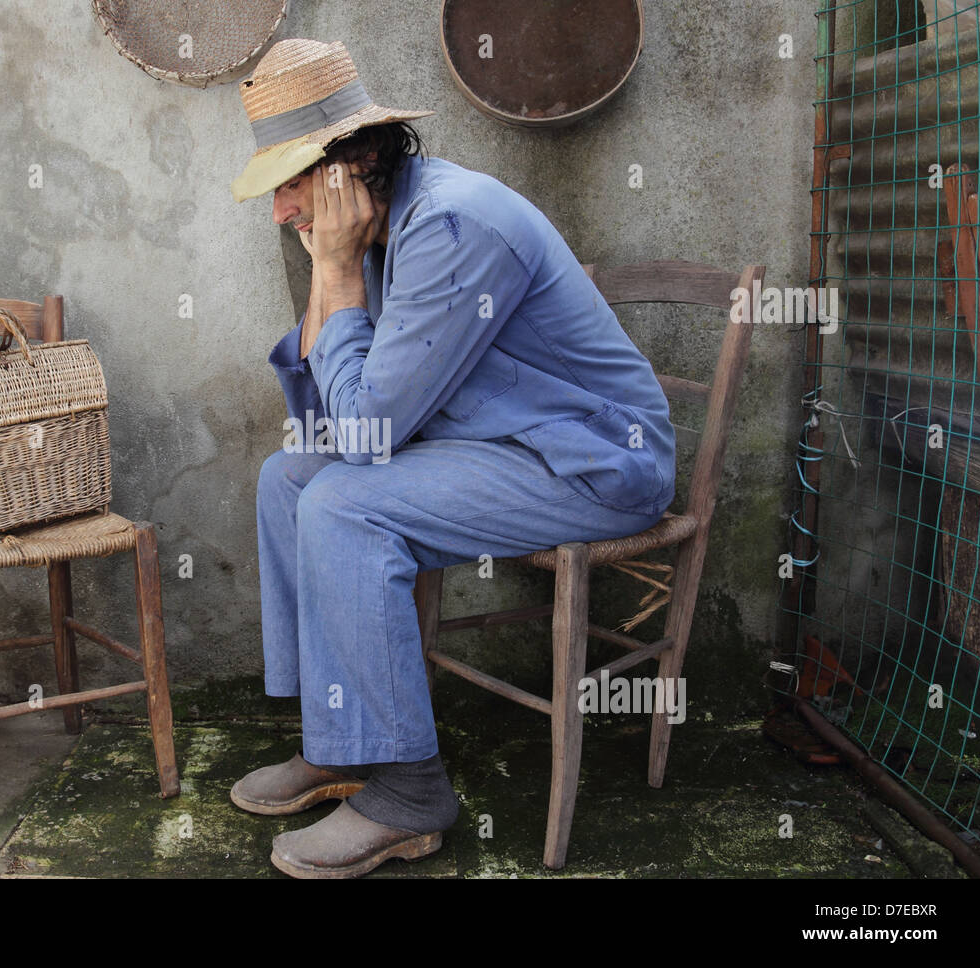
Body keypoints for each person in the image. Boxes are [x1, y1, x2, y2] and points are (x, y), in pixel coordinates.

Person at [227, 39, 676, 878]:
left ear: (349, 165)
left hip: (591, 465)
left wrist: (331, 265)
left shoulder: (451, 226)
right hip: (497, 452)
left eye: (290, 183)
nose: (281, 211)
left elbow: (368, 433)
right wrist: (341, 265)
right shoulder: (388, 231)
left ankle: (409, 792)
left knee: (340, 504)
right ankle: (344, 739)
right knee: (289, 479)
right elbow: (333, 422)